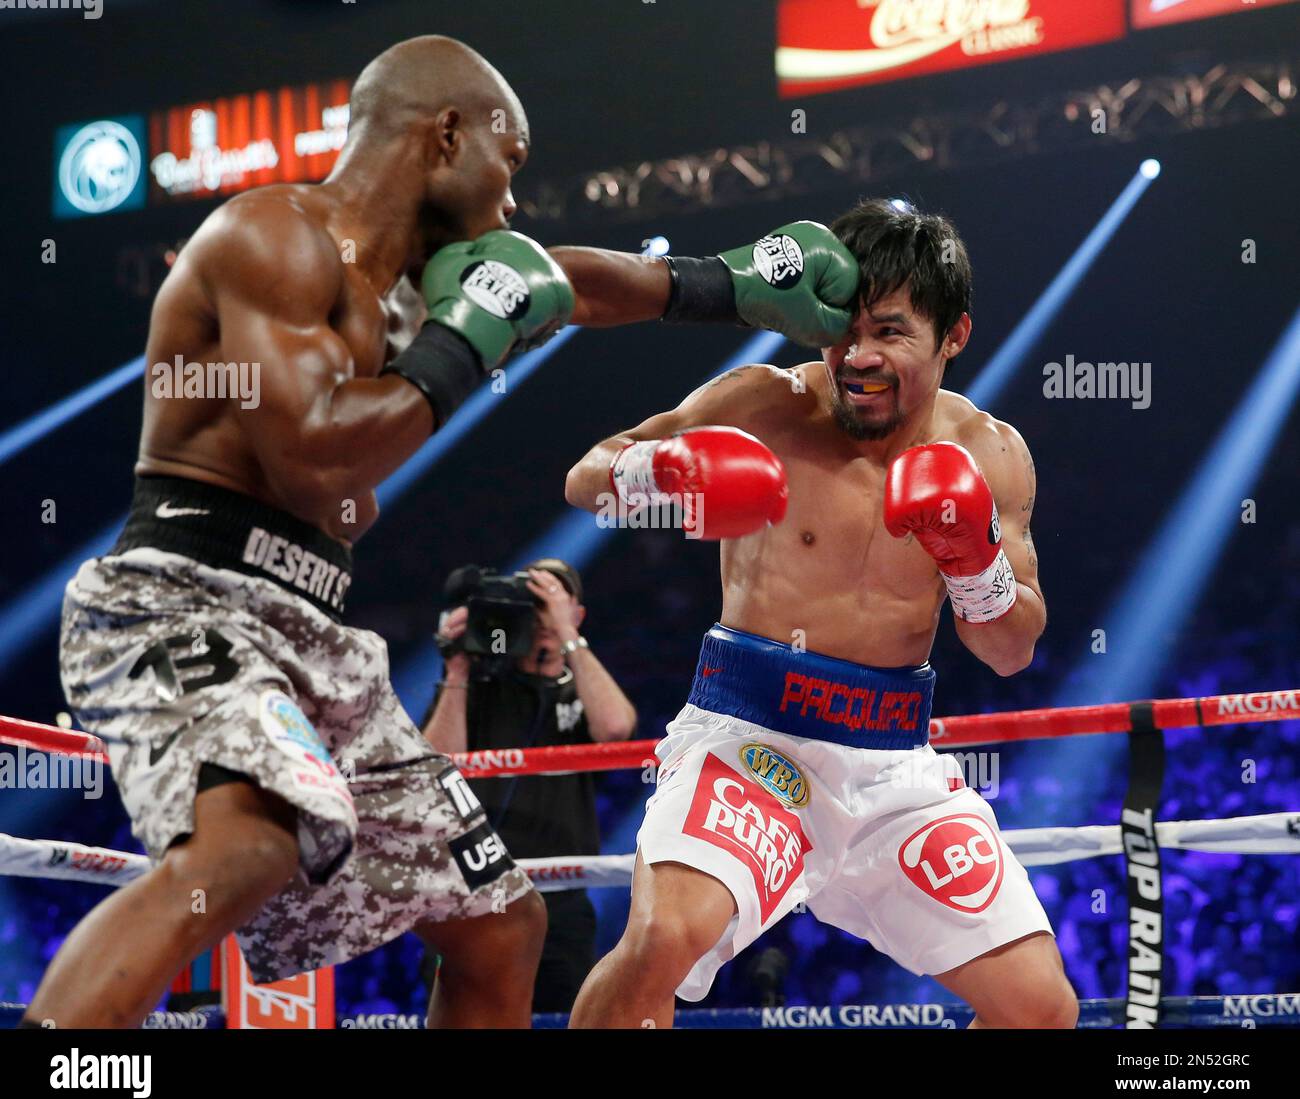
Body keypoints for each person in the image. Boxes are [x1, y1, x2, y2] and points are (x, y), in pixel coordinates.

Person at [28, 33, 861, 1028]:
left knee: (500, 921)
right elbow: (316, 456)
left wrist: (728, 282)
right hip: (185, 598)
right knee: (246, 843)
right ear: (446, 132)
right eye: (508, 165)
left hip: (316, 632)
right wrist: (466, 340)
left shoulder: (412, 280)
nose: (511, 199)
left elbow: (570, 283)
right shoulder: (270, 236)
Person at [563, 198, 1079, 1029]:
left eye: (889, 332)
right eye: (842, 330)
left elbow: (1012, 649)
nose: (857, 356)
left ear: (955, 337)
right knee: (661, 940)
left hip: (891, 769)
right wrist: (659, 475)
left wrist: (973, 562)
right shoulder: (763, 402)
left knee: (1042, 1009)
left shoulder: (991, 454)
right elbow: (586, 476)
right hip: (749, 741)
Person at [421, 559, 635, 1012]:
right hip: (476, 889)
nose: (539, 616)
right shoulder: (479, 685)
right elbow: (436, 766)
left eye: (549, 603)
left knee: (561, 1019)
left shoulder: (578, 689)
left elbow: (616, 728)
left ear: (575, 613)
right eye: (531, 605)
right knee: (465, 1018)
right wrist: (457, 669)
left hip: (561, 894)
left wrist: (565, 630)